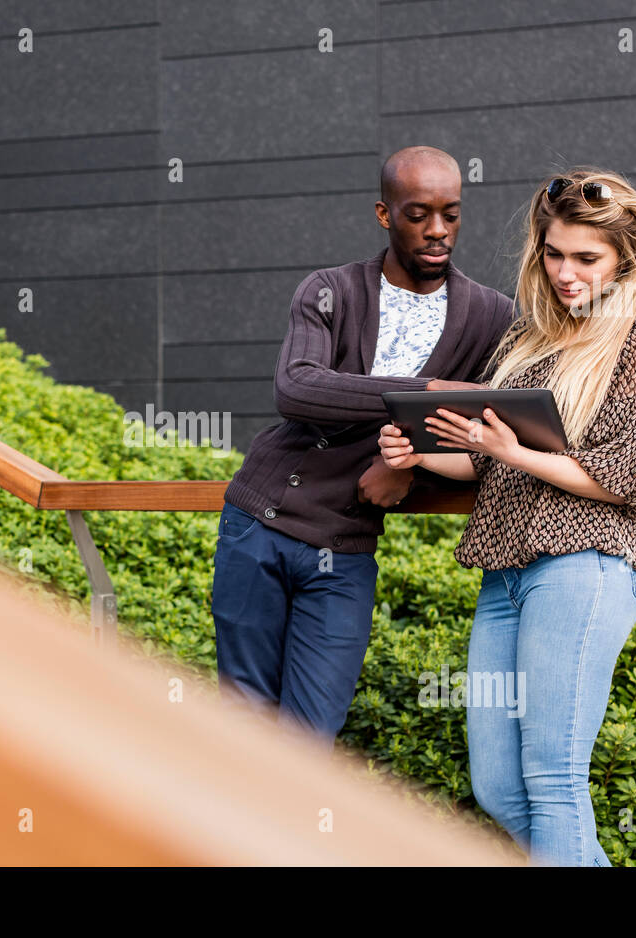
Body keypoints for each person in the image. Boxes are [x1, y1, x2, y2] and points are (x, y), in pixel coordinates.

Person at [377, 168, 636, 865]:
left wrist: (507, 450)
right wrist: (423, 452)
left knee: (552, 781)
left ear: (624, 260)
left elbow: (625, 479)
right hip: (506, 577)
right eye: (554, 253)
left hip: (583, 568)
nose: (566, 271)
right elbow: (484, 459)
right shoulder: (531, 336)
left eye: (586, 258)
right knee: (499, 789)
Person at [212, 146, 515, 747]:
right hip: (259, 522)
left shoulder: (490, 315)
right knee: (240, 728)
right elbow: (297, 387)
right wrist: (426, 391)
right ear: (384, 213)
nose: (437, 231)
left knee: (311, 736)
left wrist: (405, 468)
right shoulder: (329, 291)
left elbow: (491, 436)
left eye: (451, 214)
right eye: (418, 214)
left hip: (345, 546)